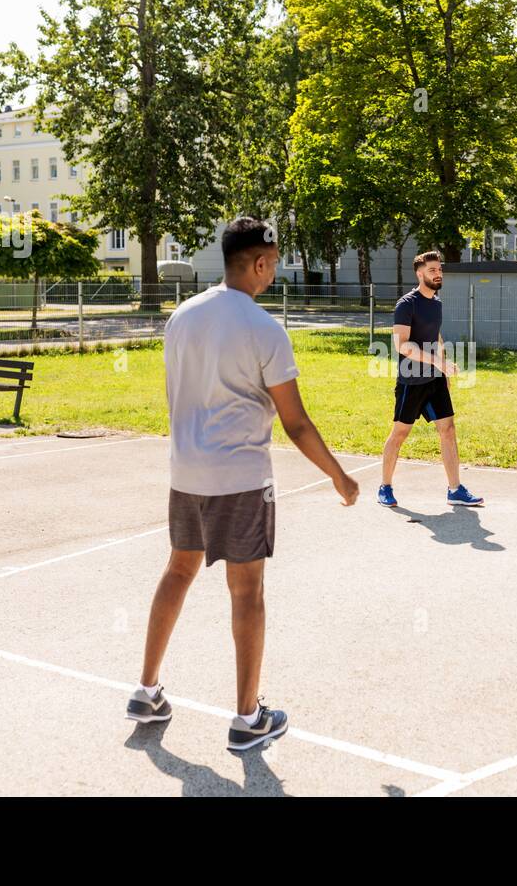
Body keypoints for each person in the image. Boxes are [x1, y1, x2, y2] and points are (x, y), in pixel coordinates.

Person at [127, 217, 359, 751]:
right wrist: (340, 477)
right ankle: (247, 717)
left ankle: (145, 689)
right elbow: (296, 422)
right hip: (239, 478)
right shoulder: (264, 328)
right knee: (247, 589)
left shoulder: (182, 316)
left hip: (186, 471)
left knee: (178, 569)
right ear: (258, 262)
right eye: (273, 263)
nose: (274, 272)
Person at [377, 251, 482, 508]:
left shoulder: (436, 302)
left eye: (440, 270)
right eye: (433, 270)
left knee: (448, 429)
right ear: (420, 273)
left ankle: (455, 490)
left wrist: (442, 369)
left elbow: (436, 338)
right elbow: (402, 344)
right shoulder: (407, 304)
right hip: (411, 381)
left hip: (434, 380)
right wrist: (438, 362)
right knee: (400, 434)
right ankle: (385, 487)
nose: (438, 274)